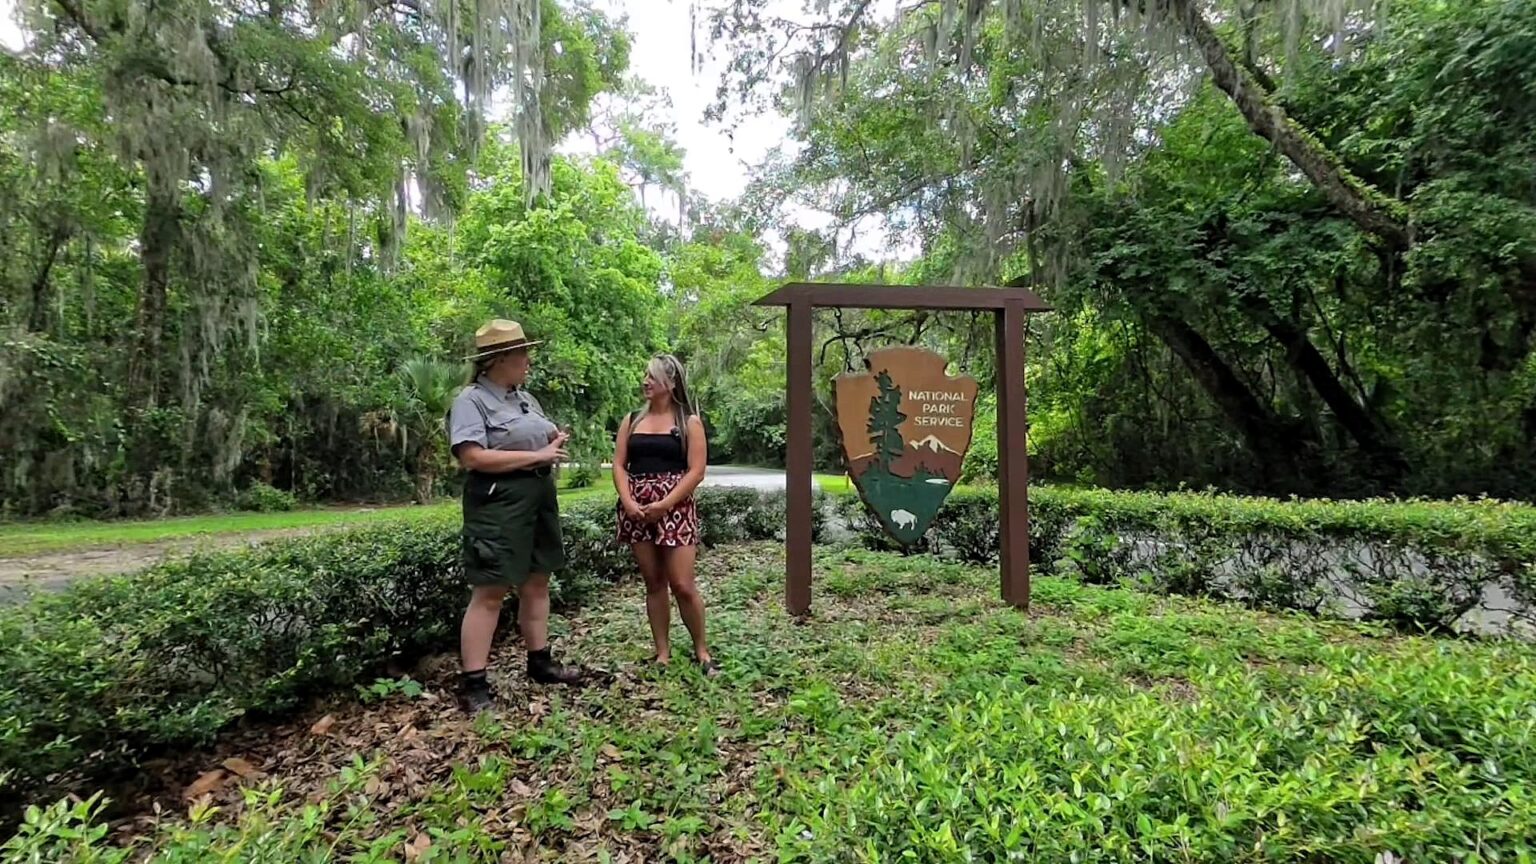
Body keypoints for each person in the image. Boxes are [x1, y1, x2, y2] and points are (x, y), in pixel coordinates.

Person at [446, 318, 582, 713]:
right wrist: (537, 455)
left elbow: (533, 439)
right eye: (522, 353)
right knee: (490, 589)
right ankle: (474, 684)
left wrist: (551, 442)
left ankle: (540, 662)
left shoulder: (523, 398)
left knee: (538, 580)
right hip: (498, 501)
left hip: (538, 495)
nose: (528, 361)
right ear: (498, 359)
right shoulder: (470, 401)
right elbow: (471, 456)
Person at [612, 354, 717, 676]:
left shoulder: (689, 423)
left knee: (682, 584)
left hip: (676, 508)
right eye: (645, 375)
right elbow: (619, 464)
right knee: (654, 582)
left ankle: (702, 650)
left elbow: (696, 471)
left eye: (653, 377)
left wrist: (666, 504)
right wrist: (628, 501)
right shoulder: (632, 420)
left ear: (671, 384)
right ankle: (662, 652)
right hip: (637, 509)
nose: (645, 382)